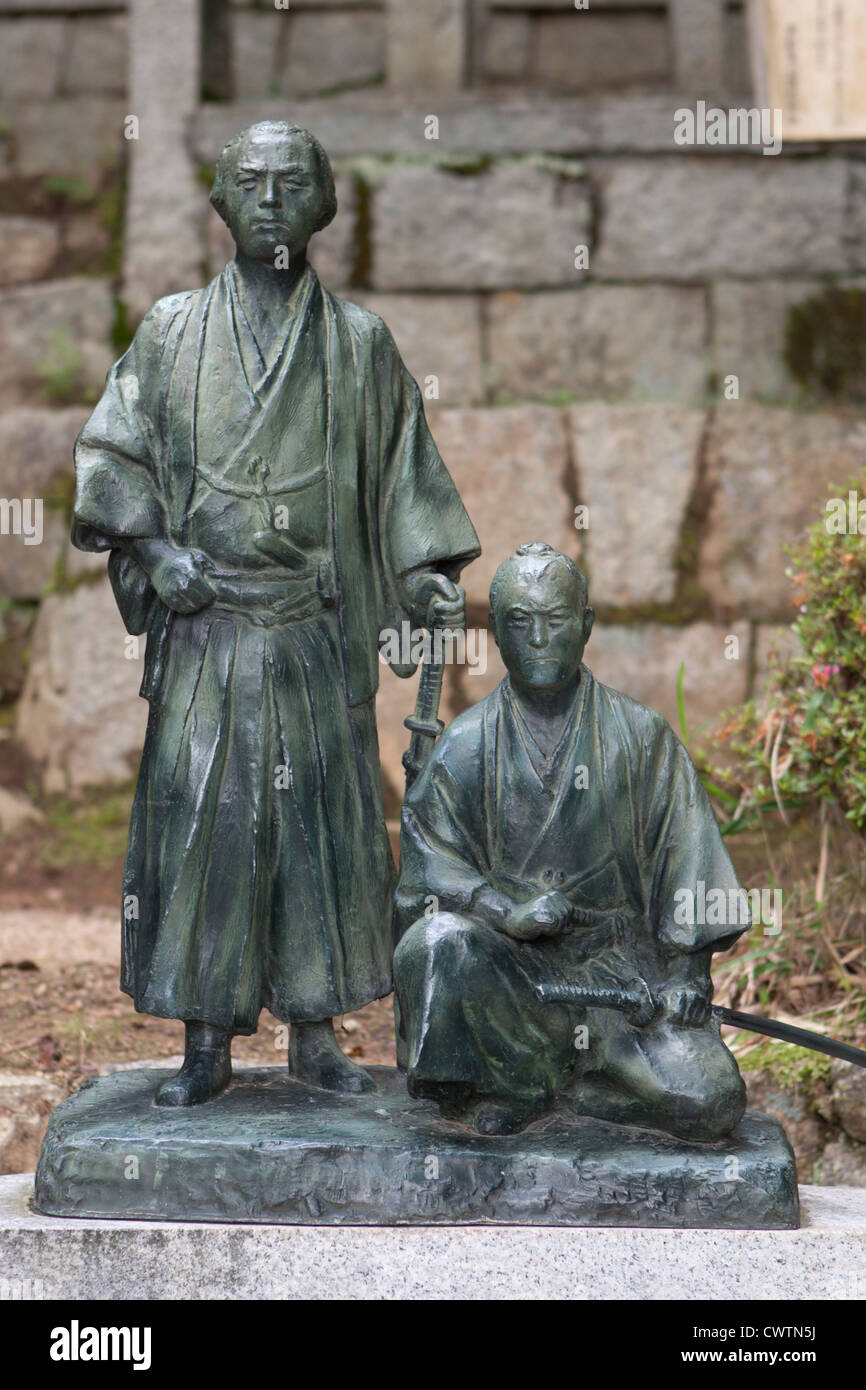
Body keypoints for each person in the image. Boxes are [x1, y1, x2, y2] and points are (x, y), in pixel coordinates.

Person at [71, 120, 479, 1105]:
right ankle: (204, 1041)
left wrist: (418, 574)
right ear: (217, 200)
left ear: (322, 203)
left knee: (318, 832)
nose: (267, 199)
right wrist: (158, 552)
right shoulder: (171, 331)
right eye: (247, 182)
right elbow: (111, 458)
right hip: (208, 627)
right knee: (205, 826)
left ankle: (316, 1033)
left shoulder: (357, 343)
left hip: (309, 630)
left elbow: (397, 483)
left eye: (288, 183)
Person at [394, 543, 747, 1139]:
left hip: (619, 983)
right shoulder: (467, 743)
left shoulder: (641, 737)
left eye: (555, 620)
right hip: (512, 978)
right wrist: (506, 911)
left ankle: (571, 1088)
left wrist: (687, 973)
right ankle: (517, 1080)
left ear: (585, 625)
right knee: (438, 941)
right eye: (519, 621)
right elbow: (426, 874)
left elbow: (689, 859)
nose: (537, 638)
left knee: (711, 1100)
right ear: (495, 632)